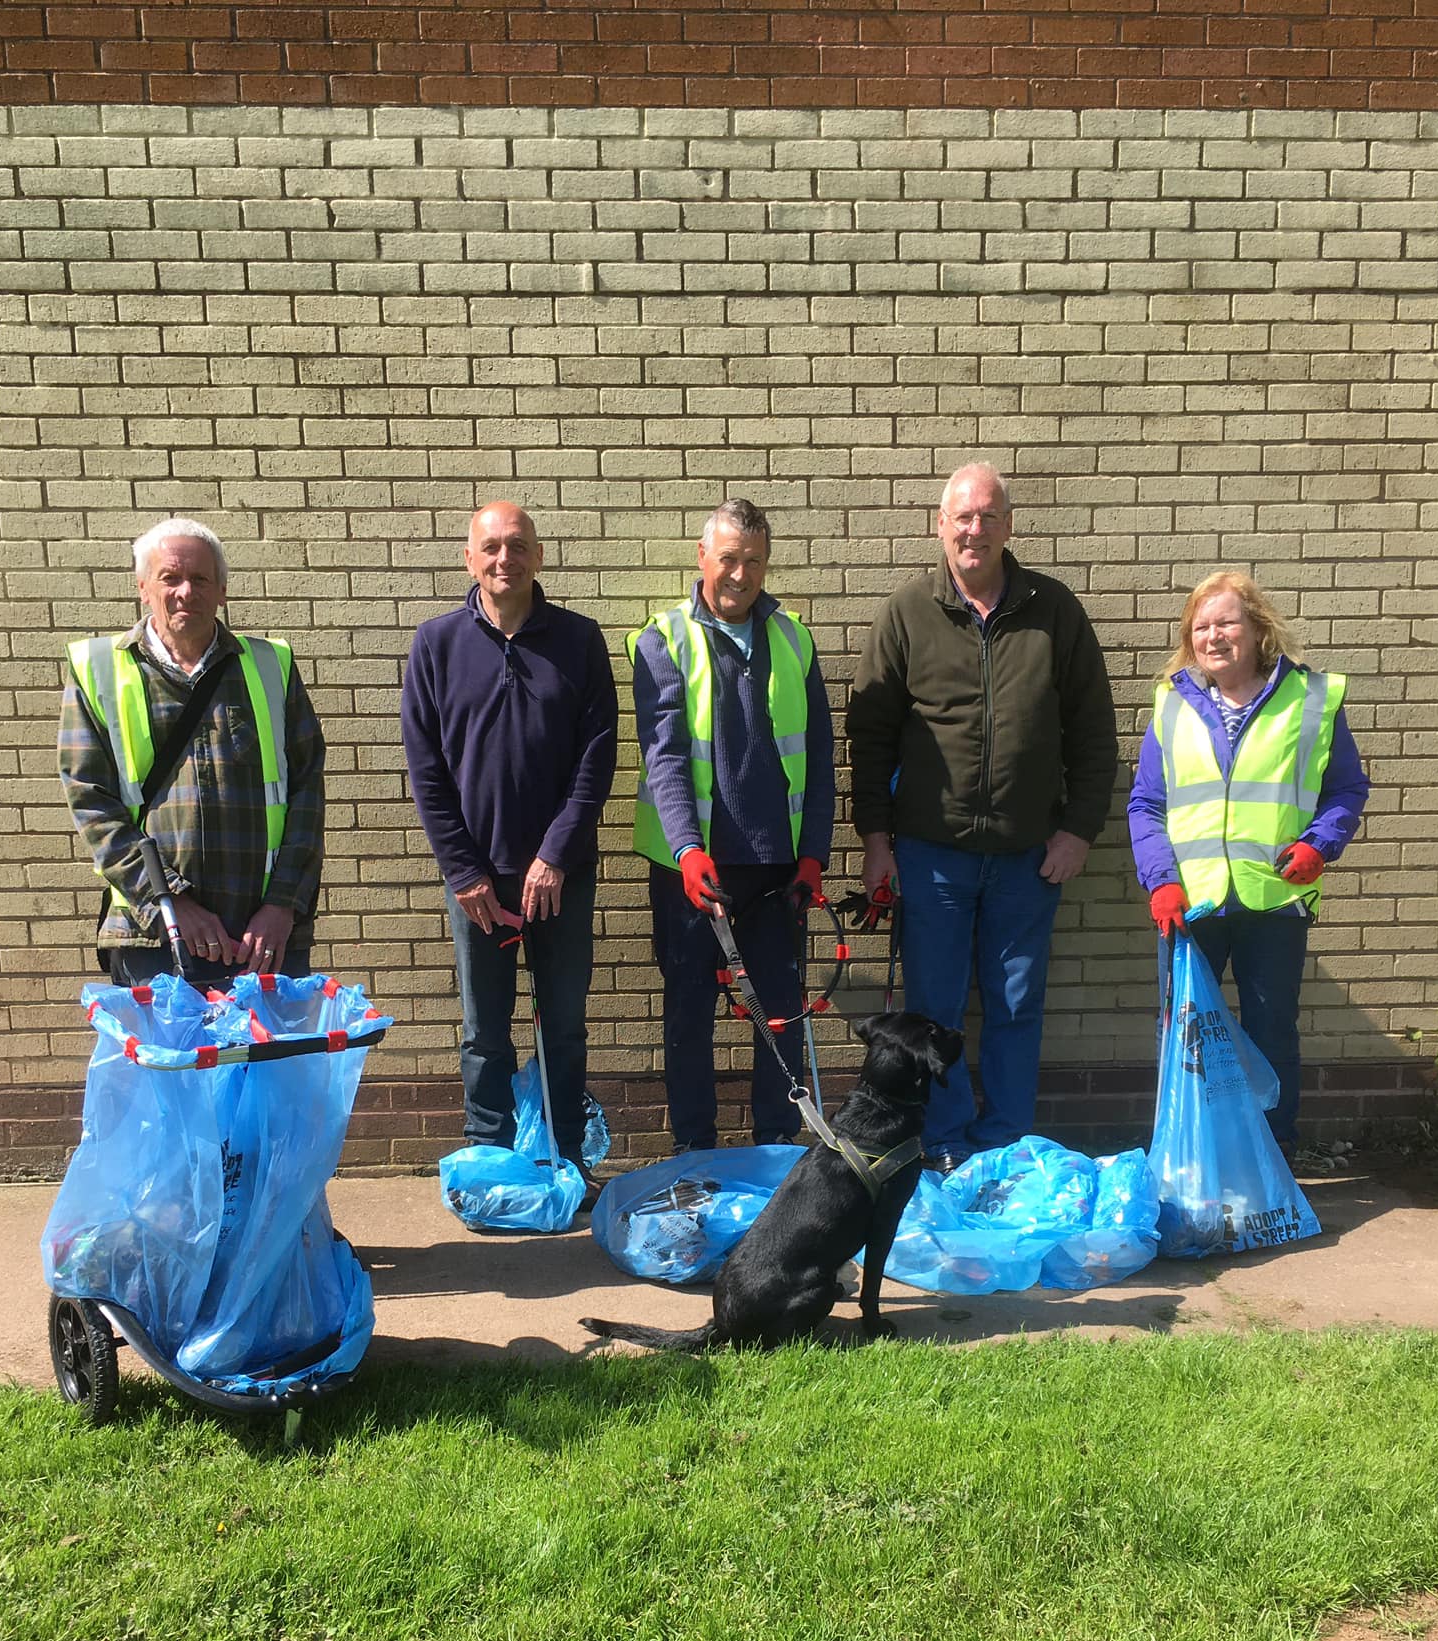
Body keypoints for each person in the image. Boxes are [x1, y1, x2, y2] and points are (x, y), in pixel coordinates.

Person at [847, 462, 1119, 1170]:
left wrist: (1078, 830)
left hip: (1029, 857)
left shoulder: (1054, 611)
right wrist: (876, 840)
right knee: (932, 1012)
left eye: (989, 516)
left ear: (1009, 525)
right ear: (941, 526)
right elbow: (869, 738)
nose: (975, 529)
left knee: (1016, 1006)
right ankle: (938, 1144)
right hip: (931, 856)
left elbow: (1094, 733)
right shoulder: (906, 613)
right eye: (962, 517)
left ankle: (1003, 1144)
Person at [402, 502, 617, 1198]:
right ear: (470, 559)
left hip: (562, 875)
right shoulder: (434, 645)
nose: (505, 559)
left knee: (565, 1025)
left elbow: (597, 758)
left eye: (518, 545)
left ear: (539, 556)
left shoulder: (580, 642)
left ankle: (566, 1159)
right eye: (491, 547)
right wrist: (463, 870)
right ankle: (490, 1163)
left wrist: (555, 854)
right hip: (479, 884)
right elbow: (426, 768)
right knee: (483, 1032)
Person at [1127, 569, 1370, 1159]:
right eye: (1201, 626)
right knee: (1186, 1038)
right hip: (1190, 904)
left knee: (1271, 1034)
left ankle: (1274, 1152)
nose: (1214, 637)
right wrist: (1161, 881)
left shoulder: (1312, 697)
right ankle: (1194, 1154)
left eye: (1227, 622)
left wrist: (1319, 844)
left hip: (1275, 899)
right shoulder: (1173, 703)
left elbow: (1346, 790)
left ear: (1258, 629)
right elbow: (1146, 803)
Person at [629, 498, 835, 1153]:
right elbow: (662, 755)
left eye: (752, 561)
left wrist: (814, 856)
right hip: (693, 873)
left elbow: (822, 755)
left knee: (780, 1014)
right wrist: (688, 851)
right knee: (689, 1014)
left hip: (777, 869)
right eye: (728, 560)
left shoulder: (795, 637)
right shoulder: (663, 639)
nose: (740, 575)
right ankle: (695, 1148)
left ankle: (776, 1142)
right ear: (702, 559)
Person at [59, 517, 326, 986]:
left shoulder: (270, 666)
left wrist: (282, 904)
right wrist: (172, 901)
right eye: (170, 578)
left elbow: (307, 794)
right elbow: (92, 803)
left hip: (261, 938)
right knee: (169, 1063)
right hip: (154, 935)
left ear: (222, 590)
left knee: (268, 1062)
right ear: (144, 588)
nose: (186, 591)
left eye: (200, 579)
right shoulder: (98, 670)